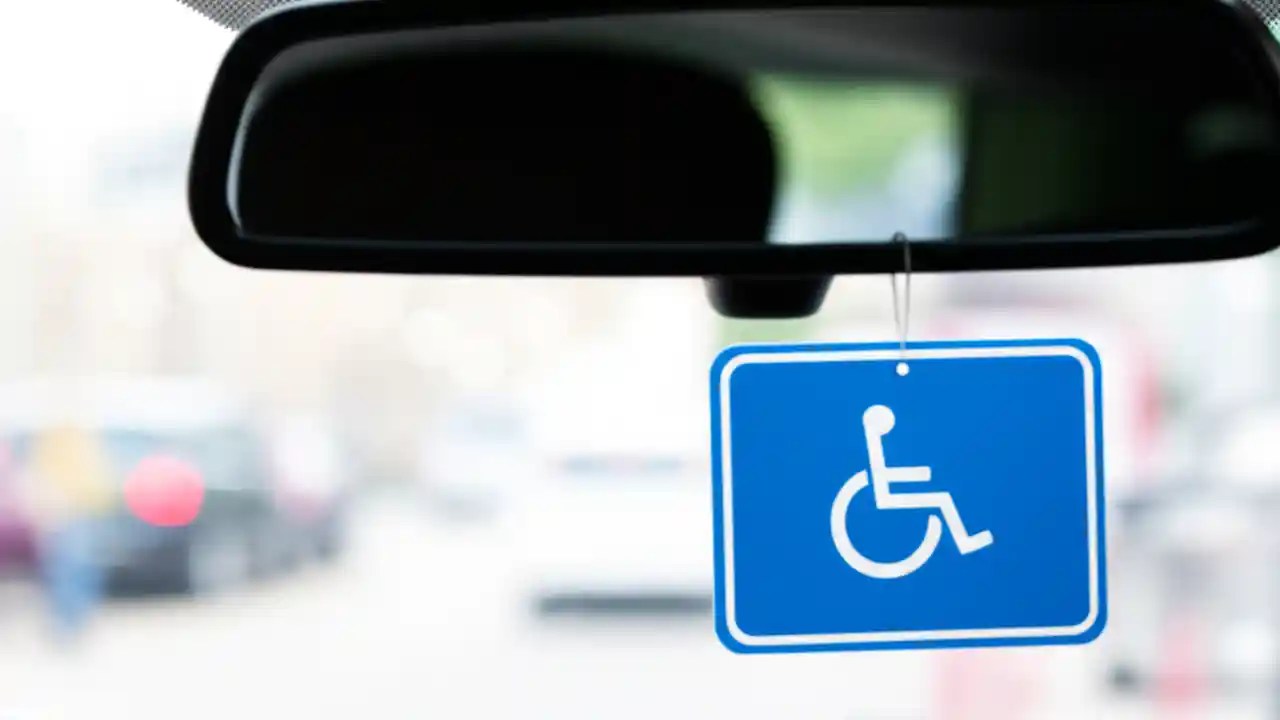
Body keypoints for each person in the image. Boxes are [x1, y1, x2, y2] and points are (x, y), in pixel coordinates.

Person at [26, 424, 114, 642]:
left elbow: (96, 478)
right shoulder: (57, 439)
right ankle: (67, 622)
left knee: (77, 570)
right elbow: (43, 478)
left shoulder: (80, 438)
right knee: (67, 570)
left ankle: (73, 622)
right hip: (64, 513)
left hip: (79, 511)